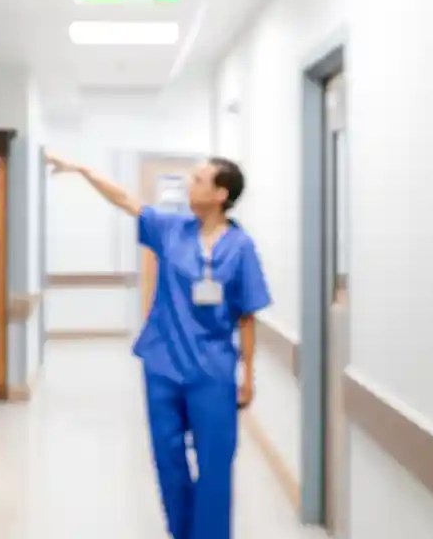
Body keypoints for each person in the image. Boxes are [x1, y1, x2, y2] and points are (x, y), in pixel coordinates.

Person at [46, 153, 272, 539]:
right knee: (168, 462)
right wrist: (85, 169)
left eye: (199, 179)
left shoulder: (241, 247)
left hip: (213, 372)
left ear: (221, 193)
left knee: (215, 465)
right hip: (163, 364)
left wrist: (247, 375)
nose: (190, 183)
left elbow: (248, 315)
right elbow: (125, 201)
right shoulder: (172, 230)